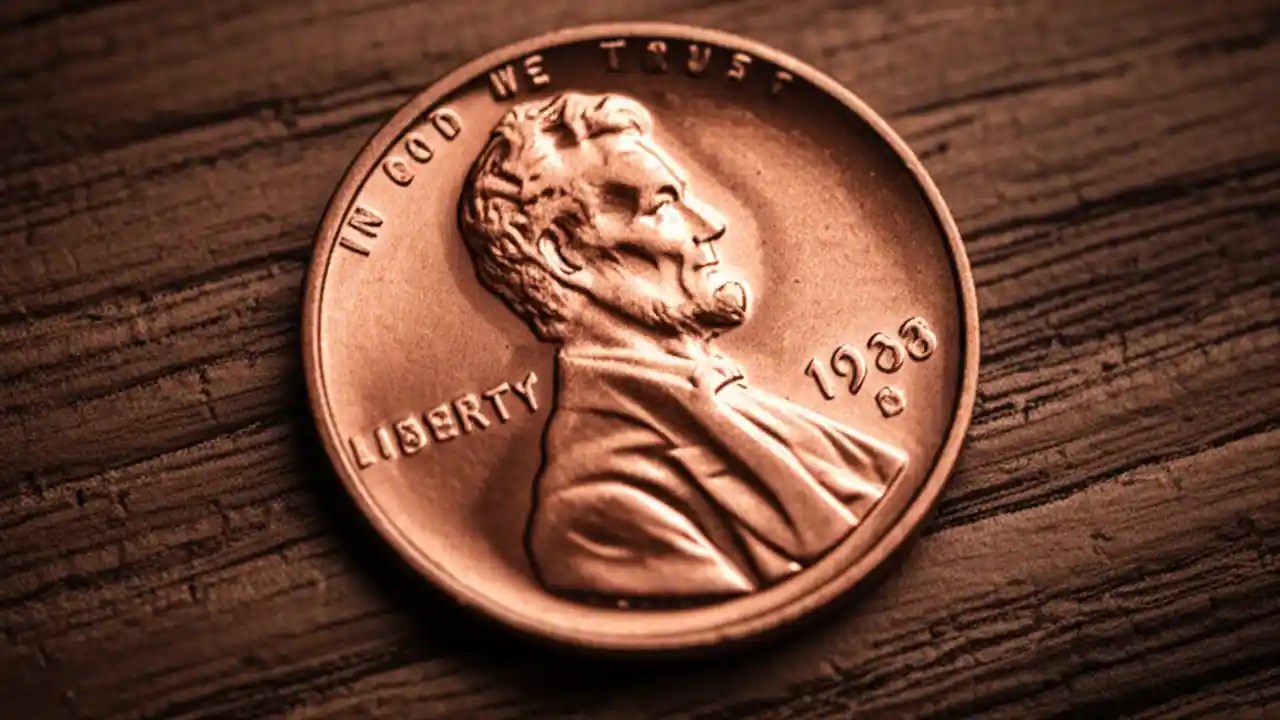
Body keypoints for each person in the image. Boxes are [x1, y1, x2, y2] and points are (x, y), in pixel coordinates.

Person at [458, 92, 907, 600]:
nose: (710, 222)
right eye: (663, 205)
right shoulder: (595, 512)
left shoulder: (744, 408)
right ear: (563, 254)